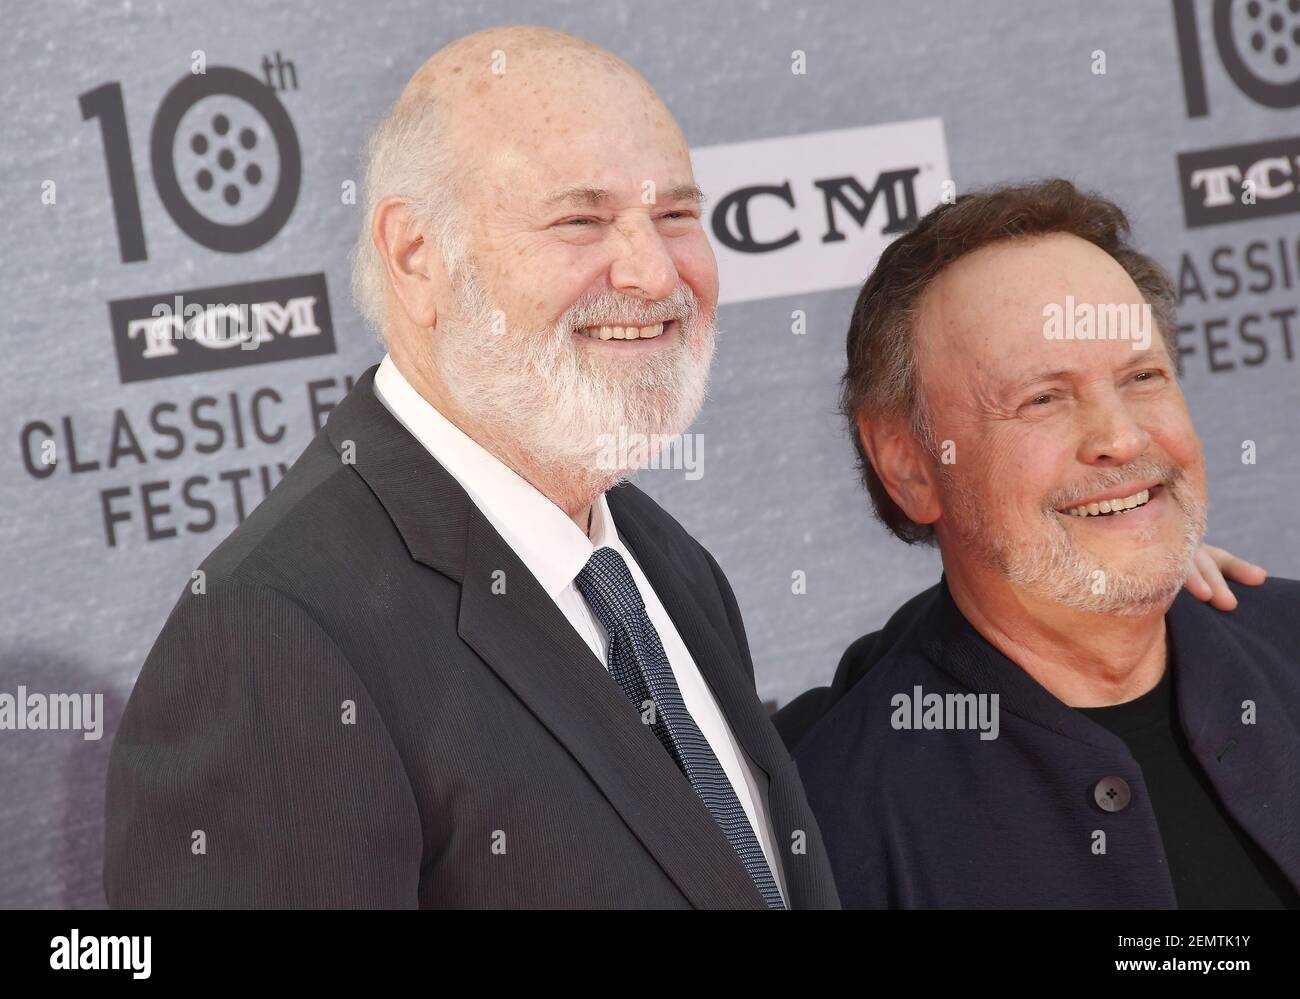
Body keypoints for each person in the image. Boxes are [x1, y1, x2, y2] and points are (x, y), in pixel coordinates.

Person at [103, 25, 838, 909]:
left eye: (676, 215)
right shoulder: (276, 640)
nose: (652, 271)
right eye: (581, 219)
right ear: (417, 258)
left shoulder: (658, 557)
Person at [779, 179, 1297, 909]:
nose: (1121, 437)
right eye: (1043, 398)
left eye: (1143, 377)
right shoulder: (831, 825)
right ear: (908, 463)